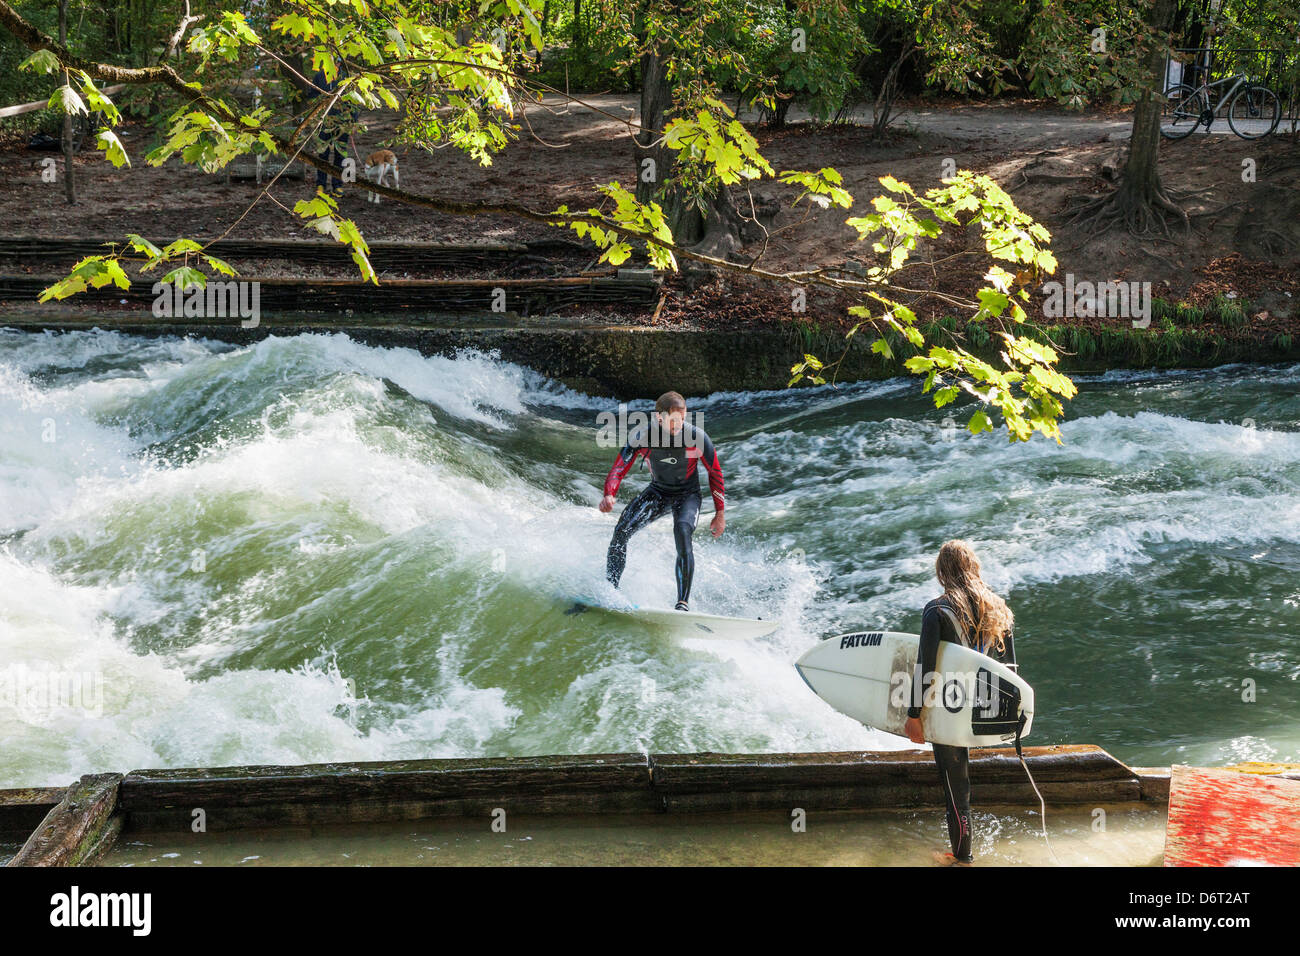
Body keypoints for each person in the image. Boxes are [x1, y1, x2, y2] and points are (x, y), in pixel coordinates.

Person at [903, 539, 1016, 865]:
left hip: (951, 706)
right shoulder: (998, 607)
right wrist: (1007, 719)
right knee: (961, 786)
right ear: (974, 568)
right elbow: (1009, 671)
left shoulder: (936, 610)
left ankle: (962, 857)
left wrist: (914, 714)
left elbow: (926, 667)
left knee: (956, 787)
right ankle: (962, 851)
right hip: (985, 708)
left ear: (941, 573)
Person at [599, 391, 725, 610]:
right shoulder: (642, 436)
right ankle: (610, 591)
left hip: (688, 495)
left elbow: (715, 473)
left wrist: (720, 513)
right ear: (659, 417)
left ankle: (682, 603)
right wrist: (609, 493)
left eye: (683, 419)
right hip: (658, 492)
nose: (679, 424)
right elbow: (618, 469)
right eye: (673, 420)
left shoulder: (696, 437)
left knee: (682, 532)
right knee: (621, 531)